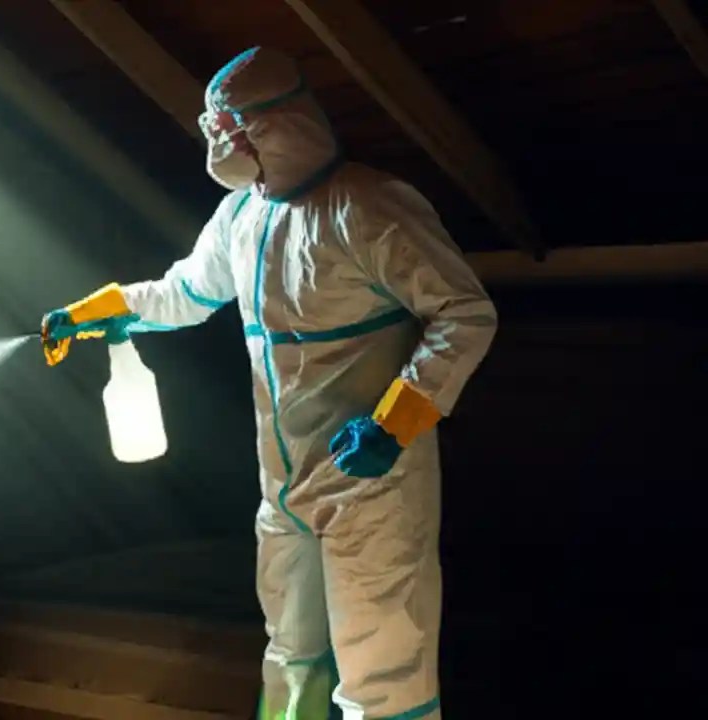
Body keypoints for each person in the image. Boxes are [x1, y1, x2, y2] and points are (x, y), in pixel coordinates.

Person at [41, 47, 497, 719]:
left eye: (231, 126)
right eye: (216, 127)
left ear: (277, 124)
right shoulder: (241, 217)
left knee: (382, 665)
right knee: (291, 653)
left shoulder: (368, 207)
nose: (221, 141)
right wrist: (96, 311)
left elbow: (463, 314)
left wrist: (394, 421)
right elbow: (186, 292)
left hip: (369, 484)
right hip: (282, 487)